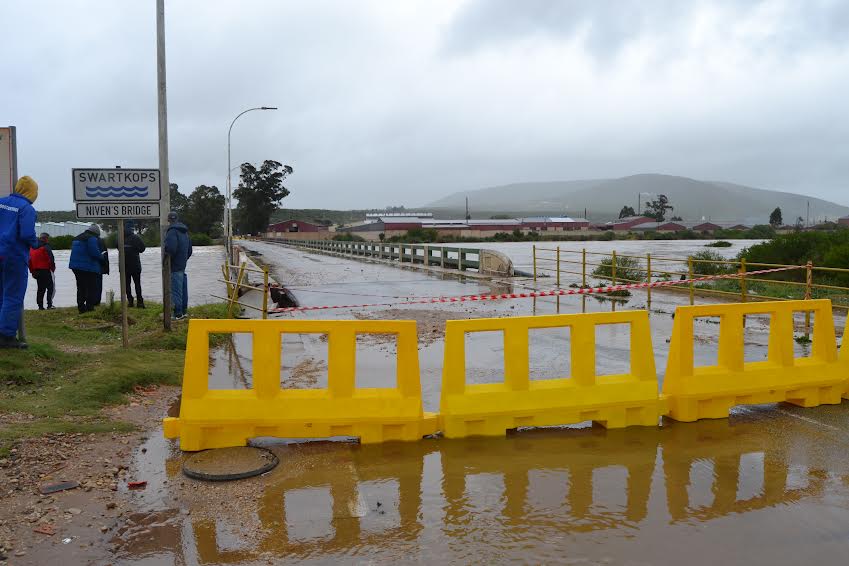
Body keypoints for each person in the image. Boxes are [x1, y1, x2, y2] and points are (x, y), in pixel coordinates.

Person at [0, 176, 39, 348]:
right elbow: (26, 234)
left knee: (1, 294)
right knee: (13, 296)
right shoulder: (26, 208)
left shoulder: (1, 202)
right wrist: (35, 243)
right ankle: (6, 336)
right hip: (14, 256)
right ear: (32, 192)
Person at [164, 212, 192, 320]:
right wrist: (183, 259)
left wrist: (167, 258)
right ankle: (184, 311)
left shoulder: (172, 231)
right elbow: (189, 250)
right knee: (183, 289)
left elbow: (171, 248)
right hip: (182, 264)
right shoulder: (185, 232)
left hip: (174, 265)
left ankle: (178, 314)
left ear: (169, 220)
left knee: (176, 290)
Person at [69, 224, 102, 313]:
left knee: (80, 287)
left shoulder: (77, 238)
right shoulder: (91, 238)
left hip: (75, 267)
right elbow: (94, 252)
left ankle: (81, 307)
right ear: (96, 233)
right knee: (92, 287)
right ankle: (90, 307)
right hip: (88, 267)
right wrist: (102, 257)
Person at [29, 233, 56, 310]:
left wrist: (32, 271)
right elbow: (50, 259)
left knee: (40, 289)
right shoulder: (46, 247)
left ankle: (40, 306)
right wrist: (52, 269)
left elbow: (29, 261)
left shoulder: (32, 247)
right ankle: (49, 304)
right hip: (46, 270)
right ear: (46, 238)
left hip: (36, 271)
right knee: (50, 287)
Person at [123, 221, 146, 308]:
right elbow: (142, 249)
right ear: (132, 228)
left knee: (126, 284)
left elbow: (117, 247)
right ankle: (140, 302)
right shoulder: (136, 238)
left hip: (124, 265)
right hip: (135, 264)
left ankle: (130, 301)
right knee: (137, 283)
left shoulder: (120, 238)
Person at [93, 234, 110, 306]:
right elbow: (105, 255)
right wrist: (106, 268)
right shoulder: (101, 241)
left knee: (91, 285)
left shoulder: (88, 240)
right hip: (99, 267)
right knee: (98, 285)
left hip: (90, 267)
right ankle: (96, 302)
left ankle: (92, 302)